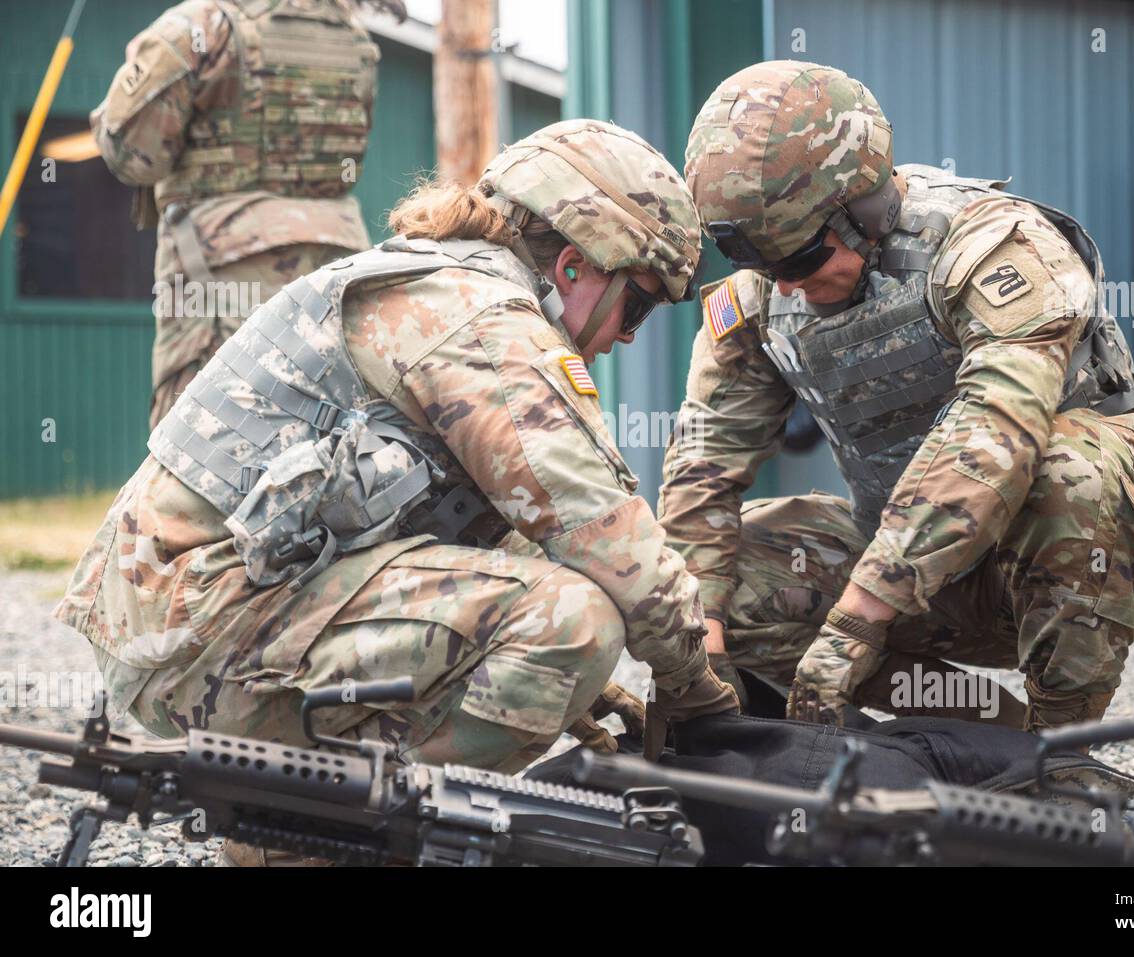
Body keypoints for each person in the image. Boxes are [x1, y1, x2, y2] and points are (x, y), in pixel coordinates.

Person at [55, 118, 740, 829]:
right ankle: (342, 830)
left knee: (546, 593)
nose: (628, 334)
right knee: (573, 622)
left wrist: (572, 700)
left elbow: (492, 538)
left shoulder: (438, 284)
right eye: (640, 303)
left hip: (184, 613)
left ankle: (288, 827)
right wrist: (702, 702)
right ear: (574, 265)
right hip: (195, 630)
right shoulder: (482, 322)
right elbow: (607, 536)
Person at [659, 61, 1134, 733]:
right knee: (717, 578)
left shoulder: (990, 248)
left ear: (863, 210)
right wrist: (700, 644)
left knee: (1072, 470)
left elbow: (994, 434)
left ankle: (1064, 749)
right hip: (920, 573)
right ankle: (990, 739)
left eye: (799, 260)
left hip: (1075, 555)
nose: (786, 287)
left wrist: (857, 619)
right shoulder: (764, 300)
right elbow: (704, 467)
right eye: (763, 268)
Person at [90, 0, 397, 428]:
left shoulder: (202, 25)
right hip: (336, 269)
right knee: (327, 433)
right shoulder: (350, 34)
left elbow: (134, 156)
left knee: (201, 440)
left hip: (220, 269)